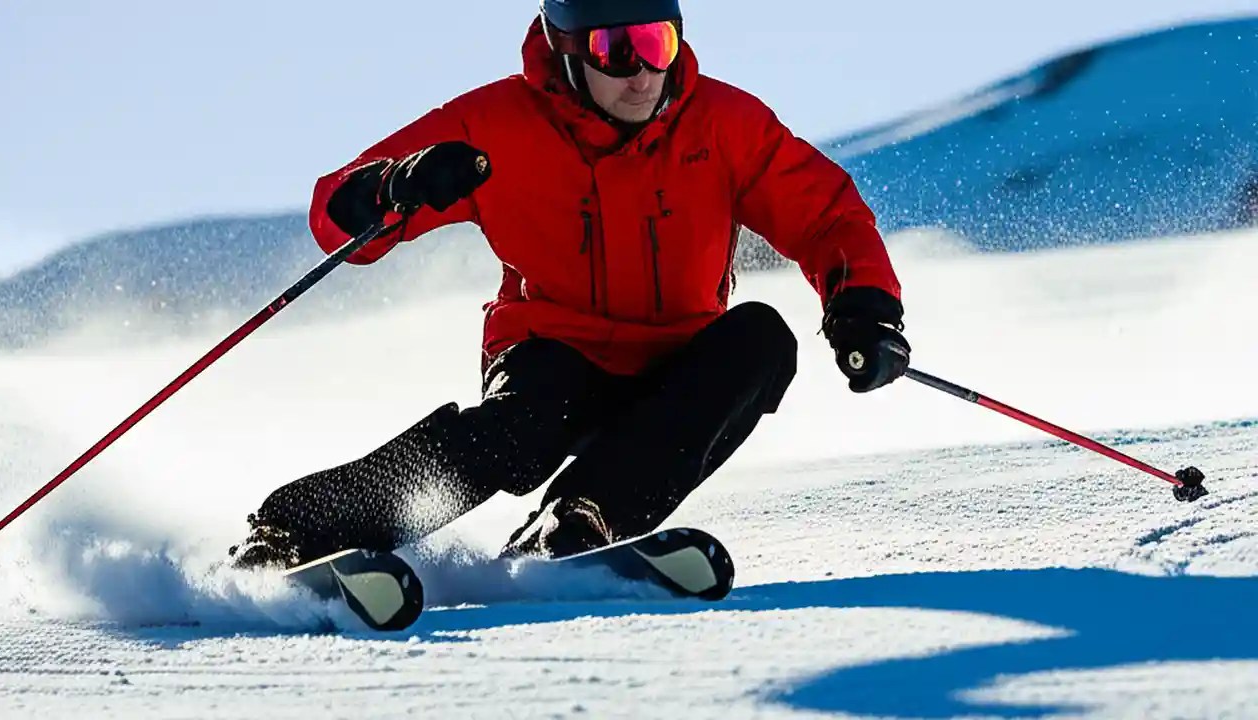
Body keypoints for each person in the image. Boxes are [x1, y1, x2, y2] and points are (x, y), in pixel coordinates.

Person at [228, 0, 911, 569]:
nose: (642, 73)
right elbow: (337, 213)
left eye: (657, 41)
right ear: (566, 50)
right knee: (519, 431)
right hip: (553, 346)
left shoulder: (723, 123)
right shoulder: (497, 126)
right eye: (617, 50)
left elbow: (826, 215)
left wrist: (865, 307)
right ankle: (298, 532)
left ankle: (580, 523)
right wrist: (394, 184)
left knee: (762, 340)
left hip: (679, 359)